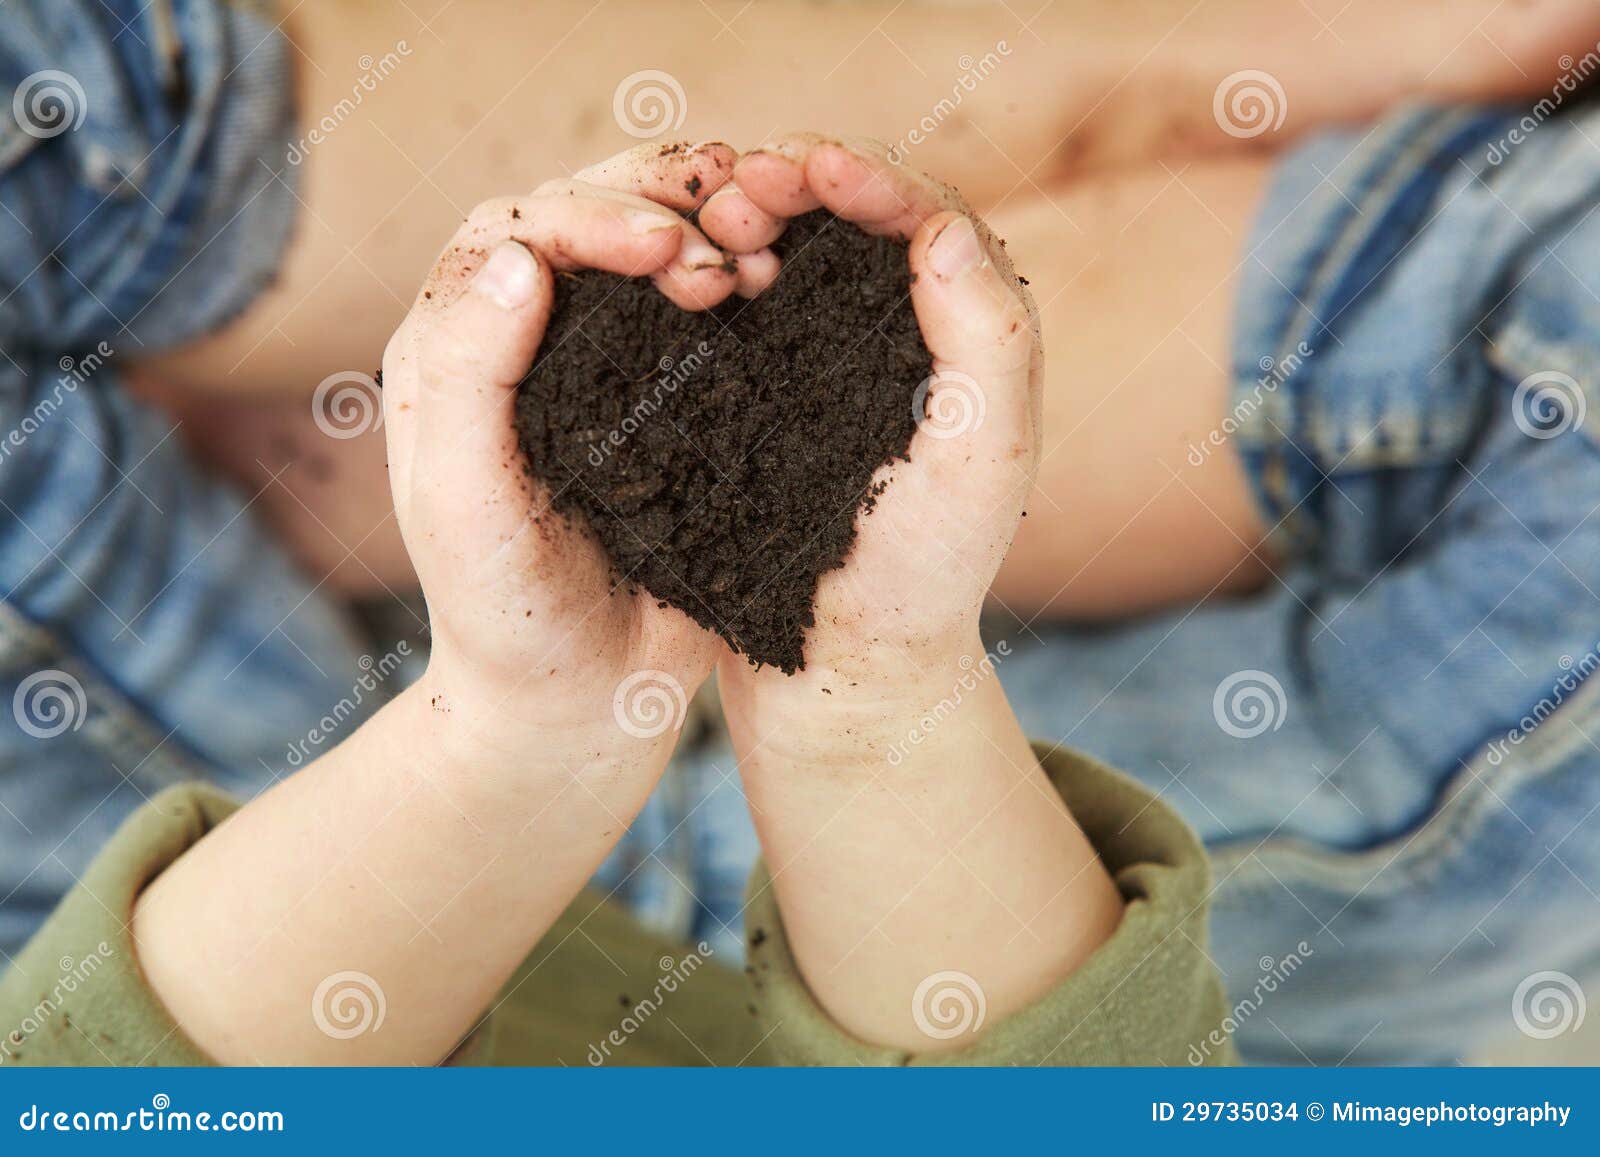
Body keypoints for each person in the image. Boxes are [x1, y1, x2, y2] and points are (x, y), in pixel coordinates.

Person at [6, 0, 1600, 1064]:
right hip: (813, 989)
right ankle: (1051, 116)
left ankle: (450, 410)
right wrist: (866, 709)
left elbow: (79, 1081)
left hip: (202, 906)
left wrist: (515, 722)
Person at [2, 147, 1234, 1066]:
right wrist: (871, 699)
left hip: (272, 893)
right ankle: (1081, 114)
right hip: (969, 927)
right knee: (1404, 336)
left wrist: (514, 727)